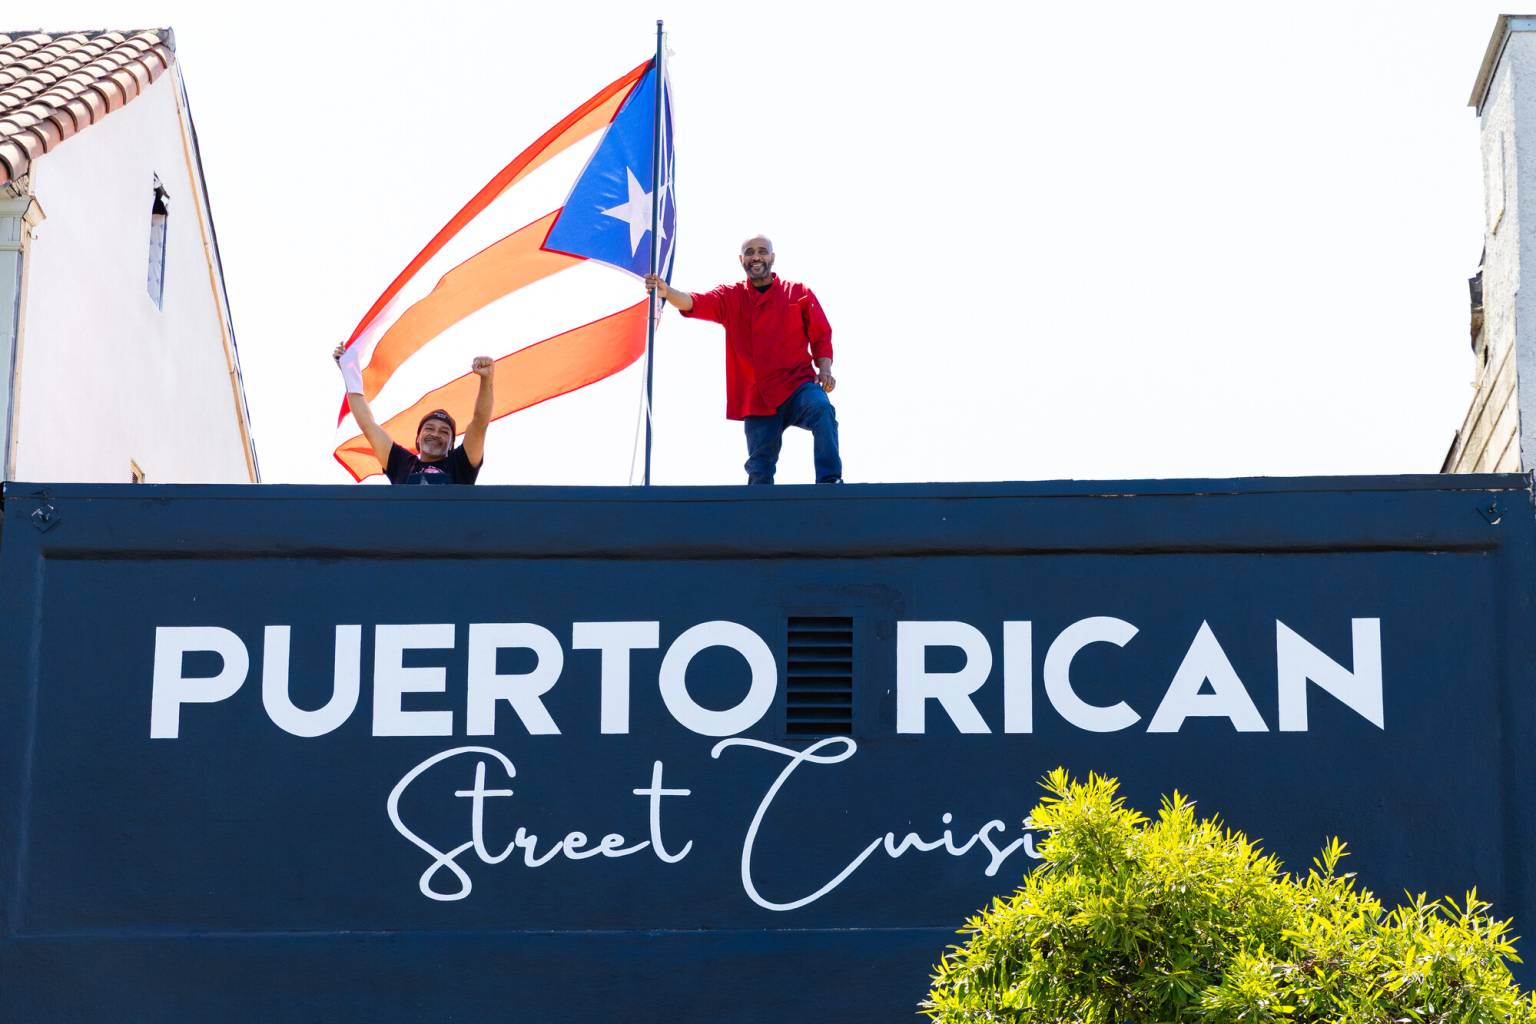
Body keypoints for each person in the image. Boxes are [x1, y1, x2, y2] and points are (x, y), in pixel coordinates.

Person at [645, 235, 842, 484]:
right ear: (742, 260)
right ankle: (759, 517)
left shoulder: (798, 293)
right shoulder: (731, 297)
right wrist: (667, 291)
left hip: (797, 386)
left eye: (762, 251)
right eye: (749, 252)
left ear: (772, 257)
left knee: (822, 409)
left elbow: (821, 335)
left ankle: (830, 482)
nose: (756, 257)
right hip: (757, 397)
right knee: (759, 470)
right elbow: (695, 302)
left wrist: (824, 370)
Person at [332, 344, 494, 485]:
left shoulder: (460, 464)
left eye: (444, 432)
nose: (435, 434)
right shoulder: (401, 463)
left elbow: (480, 423)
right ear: (417, 438)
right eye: (429, 428)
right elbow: (367, 424)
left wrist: (487, 379)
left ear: (451, 444)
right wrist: (349, 372)